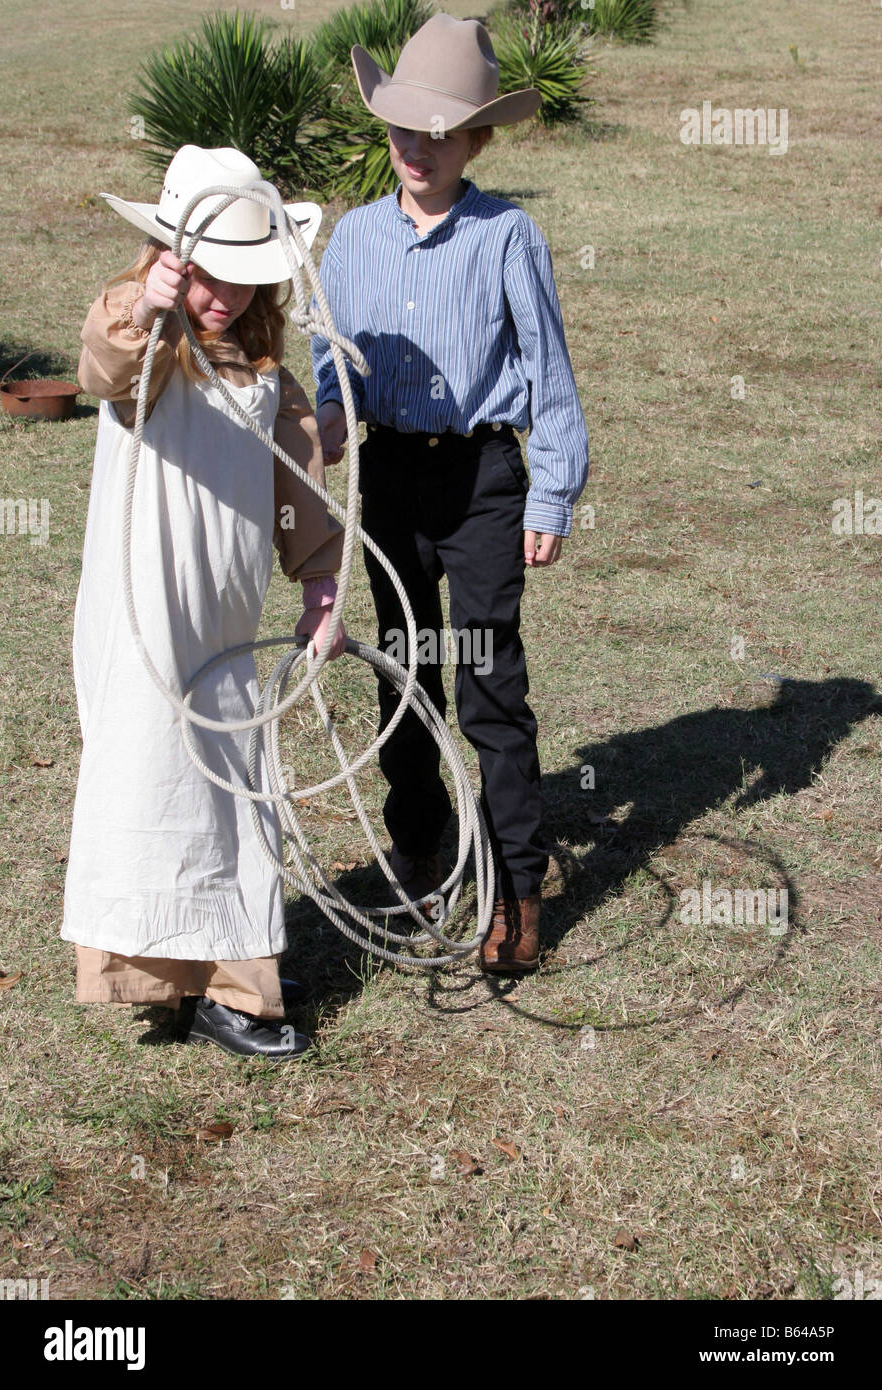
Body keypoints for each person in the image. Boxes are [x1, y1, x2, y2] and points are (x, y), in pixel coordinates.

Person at [311, 14, 589, 974]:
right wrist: (325, 430)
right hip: (389, 474)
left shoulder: (506, 234)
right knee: (403, 671)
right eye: (404, 128)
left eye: (443, 132)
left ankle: (519, 882)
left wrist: (550, 495)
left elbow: (547, 372)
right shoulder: (351, 240)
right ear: (385, 129)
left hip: (480, 481)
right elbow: (328, 363)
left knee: (488, 682)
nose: (420, 148)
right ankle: (421, 848)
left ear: (476, 139)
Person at [61, 145, 345, 1058]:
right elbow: (102, 368)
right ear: (170, 261)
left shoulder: (261, 364)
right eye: (207, 275)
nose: (223, 296)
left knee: (230, 781)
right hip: (146, 605)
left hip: (222, 616)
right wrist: (140, 308)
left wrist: (322, 582)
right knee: (148, 771)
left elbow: (294, 470)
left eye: (245, 278)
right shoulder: (148, 347)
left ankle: (229, 973)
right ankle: (185, 978)